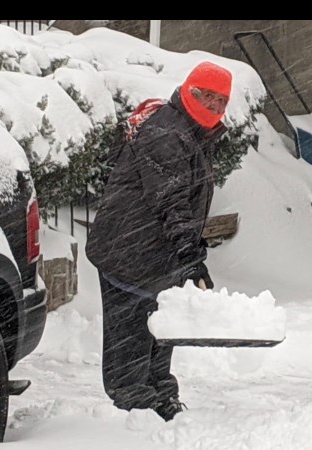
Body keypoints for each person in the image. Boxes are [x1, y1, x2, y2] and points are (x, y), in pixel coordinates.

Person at [85, 61, 232, 422]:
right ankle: (134, 412)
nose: (213, 107)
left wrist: (184, 258)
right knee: (132, 338)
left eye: (220, 101)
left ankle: (161, 399)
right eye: (207, 96)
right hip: (128, 253)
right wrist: (191, 257)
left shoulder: (192, 131)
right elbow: (171, 199)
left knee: (158, 330)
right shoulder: (168, 133)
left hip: (153, 255)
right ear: (189, 91)